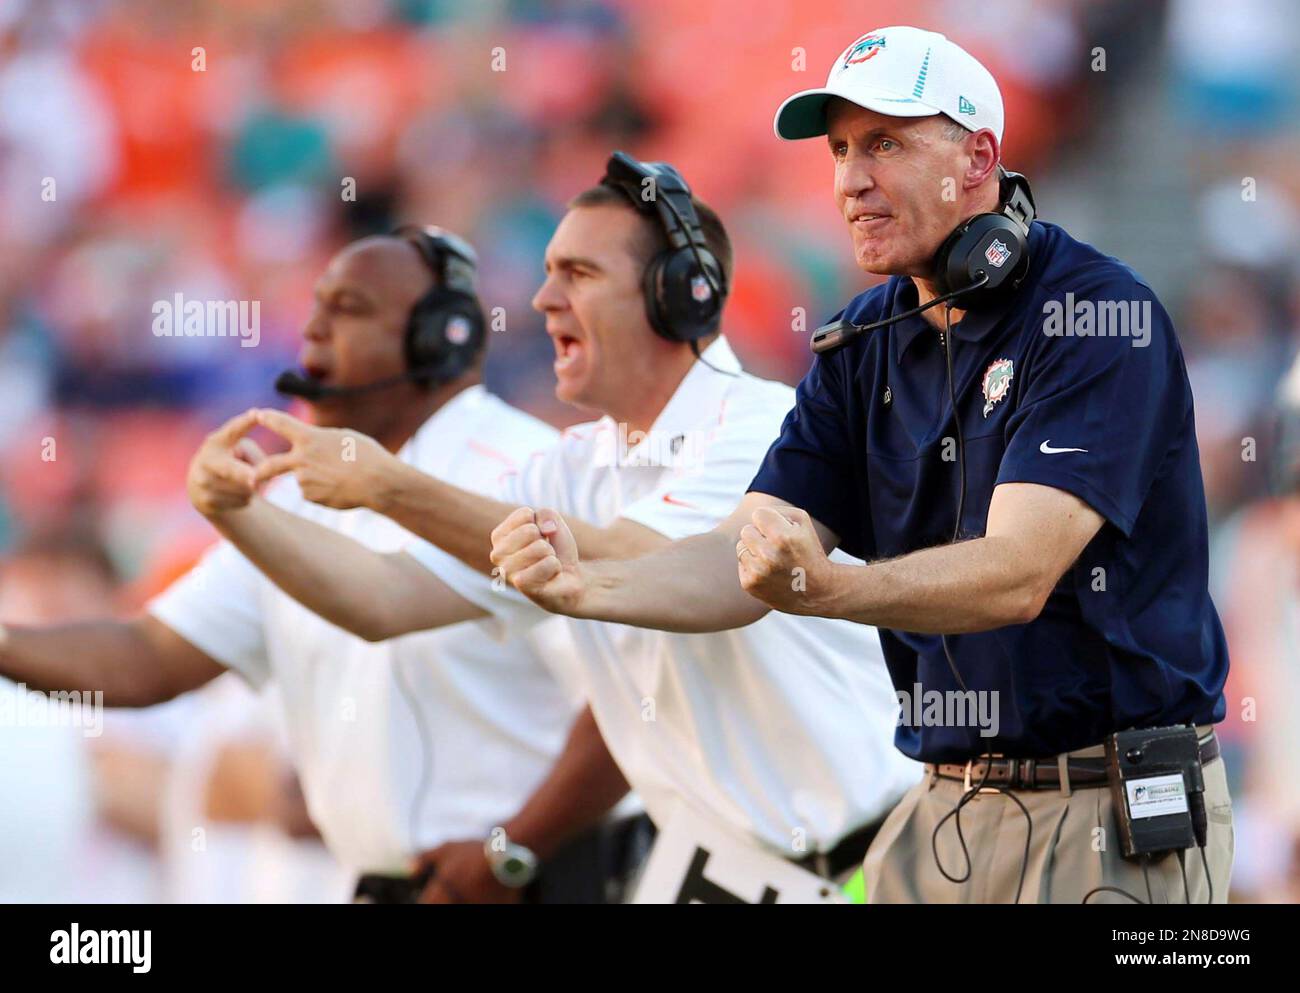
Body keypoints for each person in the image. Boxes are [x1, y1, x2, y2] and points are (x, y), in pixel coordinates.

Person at [492, 27, 1234, 904]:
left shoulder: (1099, 317)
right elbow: (740, 556)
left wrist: (827, 588)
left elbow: (1017, 574)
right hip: (943, 806)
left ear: (979, 157)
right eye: (840, 149)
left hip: (1108, 811)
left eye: (885, 144)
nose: (849, 180)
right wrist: (590, 587)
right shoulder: (861, 339)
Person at [199, 154, 920, 898]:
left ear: (678, 296)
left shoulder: (767, 423)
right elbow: (385, 599)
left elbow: (659, 563)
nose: (543, 299)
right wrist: (237, 511)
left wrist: (387, 485)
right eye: (548, 271)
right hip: (721, 879)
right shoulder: (569, 468)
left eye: (578, 273)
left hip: (867, 867)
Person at [0, 228, 636, 904]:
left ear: (437, 339)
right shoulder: (298, 491)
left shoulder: (533, 473)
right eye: (315, 306)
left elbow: (628, 699)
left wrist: (508, 853)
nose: (312, 329)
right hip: (391, 883)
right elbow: (149, 656)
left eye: (349, 308)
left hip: (534, 881)